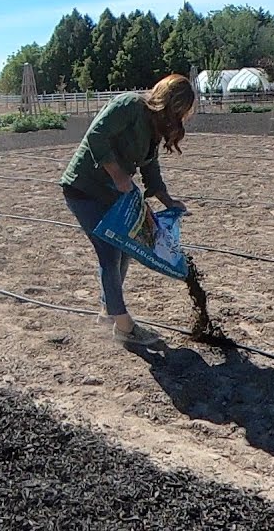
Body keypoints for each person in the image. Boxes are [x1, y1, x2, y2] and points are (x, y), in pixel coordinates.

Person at [59, 74, 196, 345]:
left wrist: (167, 200)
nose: (177, 117)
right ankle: (123, 326)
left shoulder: (154, 125)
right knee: (108, 253)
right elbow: (96, 135)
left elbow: (149, 165)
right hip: (83, 188)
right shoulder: (130, 106)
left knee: (123, 251)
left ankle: (107, 311)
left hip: (111, 194)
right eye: (177, 109)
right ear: (167, 100)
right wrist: (117, 174)